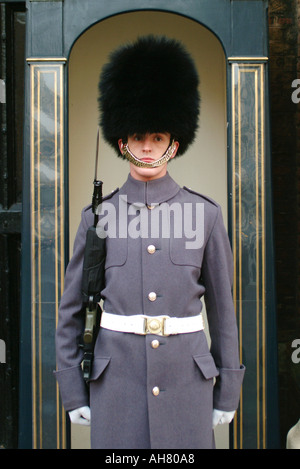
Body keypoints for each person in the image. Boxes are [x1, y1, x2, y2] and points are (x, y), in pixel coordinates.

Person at [55, 35, 245, 449]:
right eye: (138, 136)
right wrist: (72, 386)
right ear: (122, 141)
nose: (146, 146)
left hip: (187, 385)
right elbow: (71, 309)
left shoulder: (206, 215)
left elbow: (223, 311)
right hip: (117, 387)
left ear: (174, 143)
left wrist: (228, 387)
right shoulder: (98, 217)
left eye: (157, 137)